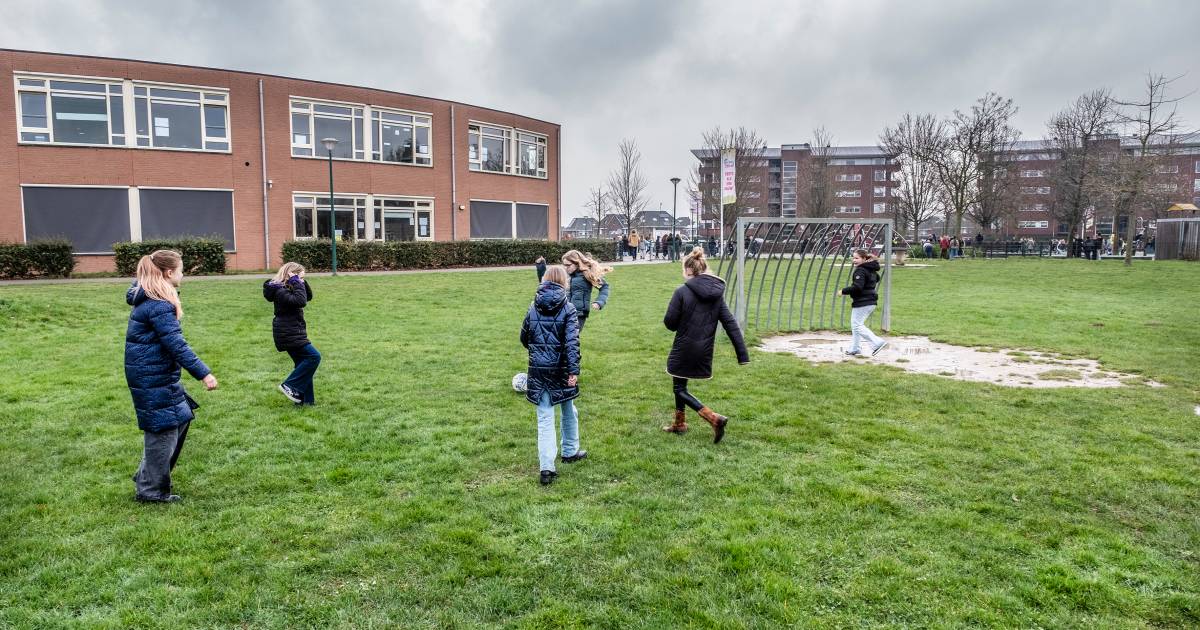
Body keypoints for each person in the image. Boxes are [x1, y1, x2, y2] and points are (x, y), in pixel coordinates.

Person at [125, 250, 218, 503]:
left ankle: (148, 478)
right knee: (163, 428)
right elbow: (176, 344)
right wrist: (204, 373)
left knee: (181, 417)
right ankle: (151, 491)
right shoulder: (158, 305)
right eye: (180, 269)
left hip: (154, 372)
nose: (183, 274)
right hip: (150, 375)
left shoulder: (155, 298)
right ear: (168, 273)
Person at [662, 247, 750, 443]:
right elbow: (730, 323)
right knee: (679, 382)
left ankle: (713, 418)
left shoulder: (682, 291)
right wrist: (742, 354)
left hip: (684, 346)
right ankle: (679, 424)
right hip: (704, 349)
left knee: (679, 388)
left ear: (688, 270)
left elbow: (670, 323)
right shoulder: (716, 294)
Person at [520, 265, 583, 486]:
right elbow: (572, 343)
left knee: (545, 417)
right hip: (562, 369)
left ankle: (549, 465)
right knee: (568, 409)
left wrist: (538, 351)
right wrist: (574, 370)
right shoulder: (569, 309)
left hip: (539, 369)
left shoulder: (533, 306)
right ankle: (569, 450)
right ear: (564, 282)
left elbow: (524, 336)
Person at [264, 262, 321, 406]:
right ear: (291, 275)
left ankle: (306, 401)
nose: (301, 280)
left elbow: (307, 296)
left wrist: (300, 281)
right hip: (288, 333)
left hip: (292, 331)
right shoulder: (280, 290)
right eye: (300, 277)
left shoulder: (289, 287)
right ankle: (290, 385)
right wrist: (296, 281)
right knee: (314, 357)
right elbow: (300, 301)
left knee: (303, 364)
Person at [840, 249, 887, 357]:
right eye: (853, 258)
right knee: (855, 325)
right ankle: (855, 348)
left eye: (856, 258)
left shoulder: (860, 270)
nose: (854, 260)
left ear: (864, 259)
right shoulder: (871, 269)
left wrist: (843, 291)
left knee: (857, 325)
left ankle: (877, 343)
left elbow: (857, 287)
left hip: (863, 302)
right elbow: (877, 279)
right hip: (870, 301)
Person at [561, 249, 611, 332]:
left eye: (568, 265)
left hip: (579, 314)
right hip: (563, 311)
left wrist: (599, 302)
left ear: (577, 263)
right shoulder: (566, 275)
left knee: (570, 339)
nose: (565, 268)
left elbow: (604, 287)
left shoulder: (587, 274)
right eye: (564, 265)